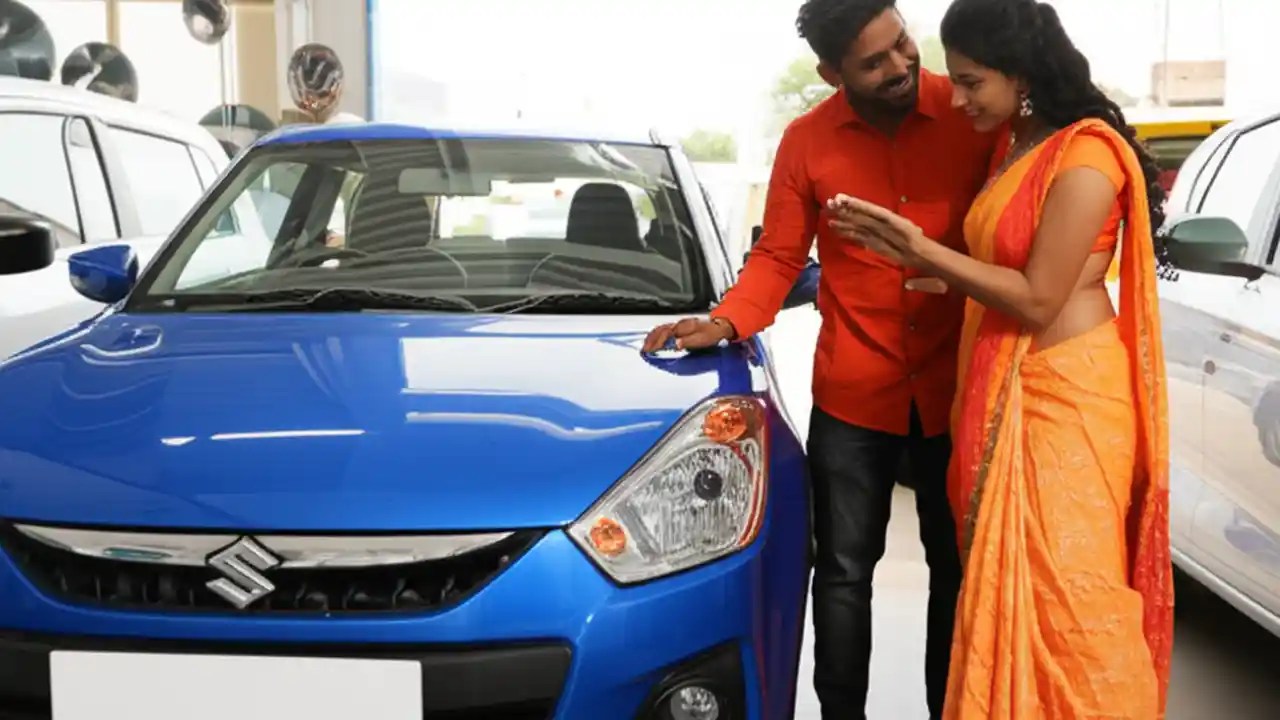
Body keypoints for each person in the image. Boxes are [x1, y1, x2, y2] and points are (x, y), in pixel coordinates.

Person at [643, 1, 998, 717]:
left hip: (959, 384)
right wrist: (725, 320)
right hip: (854, 390)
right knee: (841, 574)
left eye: (902, 45)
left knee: (957, 572)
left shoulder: (968, 114)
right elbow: (779, 255)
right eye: (874, 62)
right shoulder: (806, 142)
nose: (900, 67)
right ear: (832, 73)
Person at [826, 0, 1175, 717]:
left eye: (970, 82)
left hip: (1066, 403)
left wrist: (925, 251)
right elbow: (1004, 263)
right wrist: (930, 272)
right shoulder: (1020, 143)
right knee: (1002, 591)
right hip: (1009, 389)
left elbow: (1042, 297)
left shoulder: (1086, 153)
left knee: (1068, 602)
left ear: (1020, 74)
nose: (954, 98)